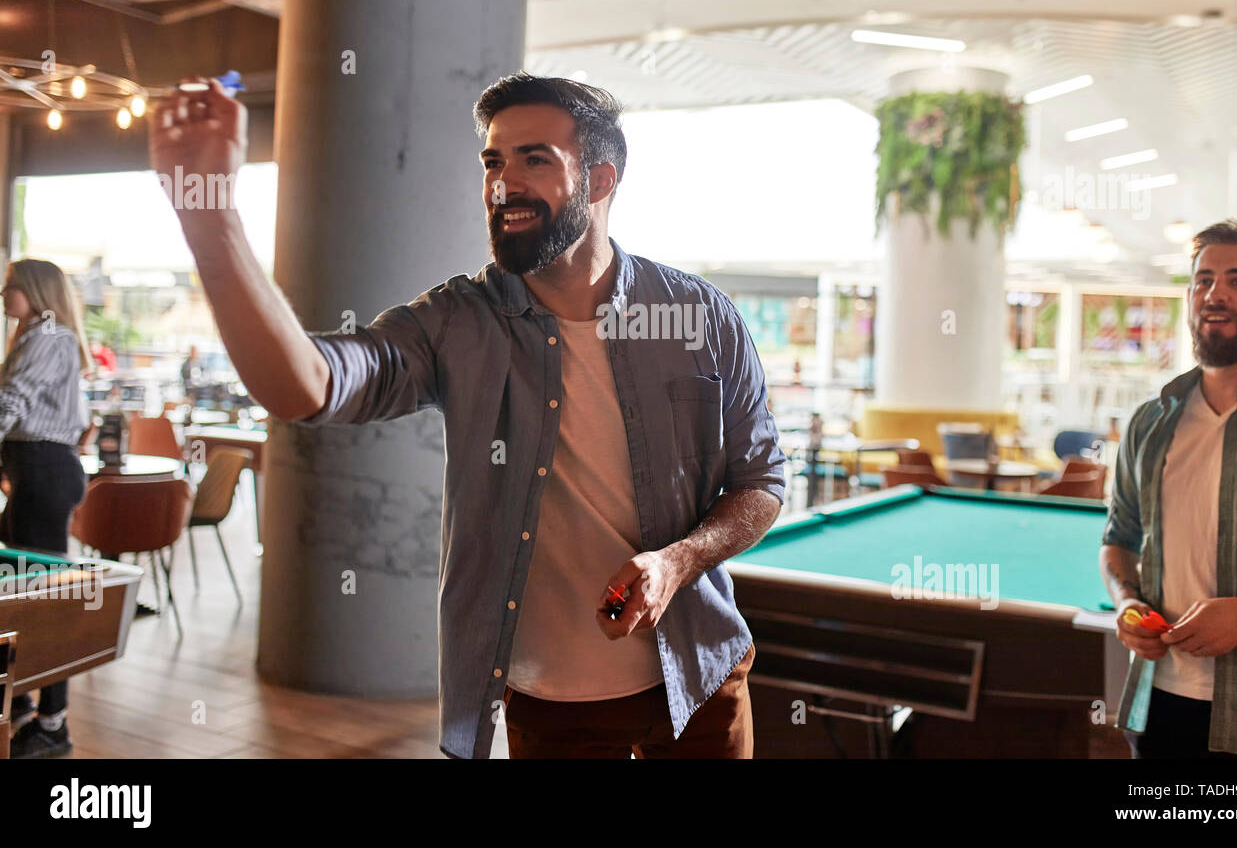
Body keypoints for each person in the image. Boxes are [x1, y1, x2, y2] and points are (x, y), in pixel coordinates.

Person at [149, 72, 785, 759]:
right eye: (492, 161)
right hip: (547, 704)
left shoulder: (700, 315)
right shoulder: (455, 321)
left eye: (533, 159)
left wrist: (677, 561)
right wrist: (210, 221)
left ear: (600, 182)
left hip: (697, 679)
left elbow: (762, 485)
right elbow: (309, 385)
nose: (502, 184)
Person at [1100, 219, 1237, 758]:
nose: (1216, 294)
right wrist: (1126, 605)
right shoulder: (1149, 421)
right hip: (1158, 703)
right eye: (1204, 280)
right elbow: (1118, 537)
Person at [0, 258, 93, 758]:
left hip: (43, 472)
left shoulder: (48, 337)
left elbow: (11, 401)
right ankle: (20, 701)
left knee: (45, 598)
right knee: (20, 587)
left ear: (35, 290)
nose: (3, 292)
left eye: (11, 285)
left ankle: (53, 725)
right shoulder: (36, 335)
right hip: (35, 470)